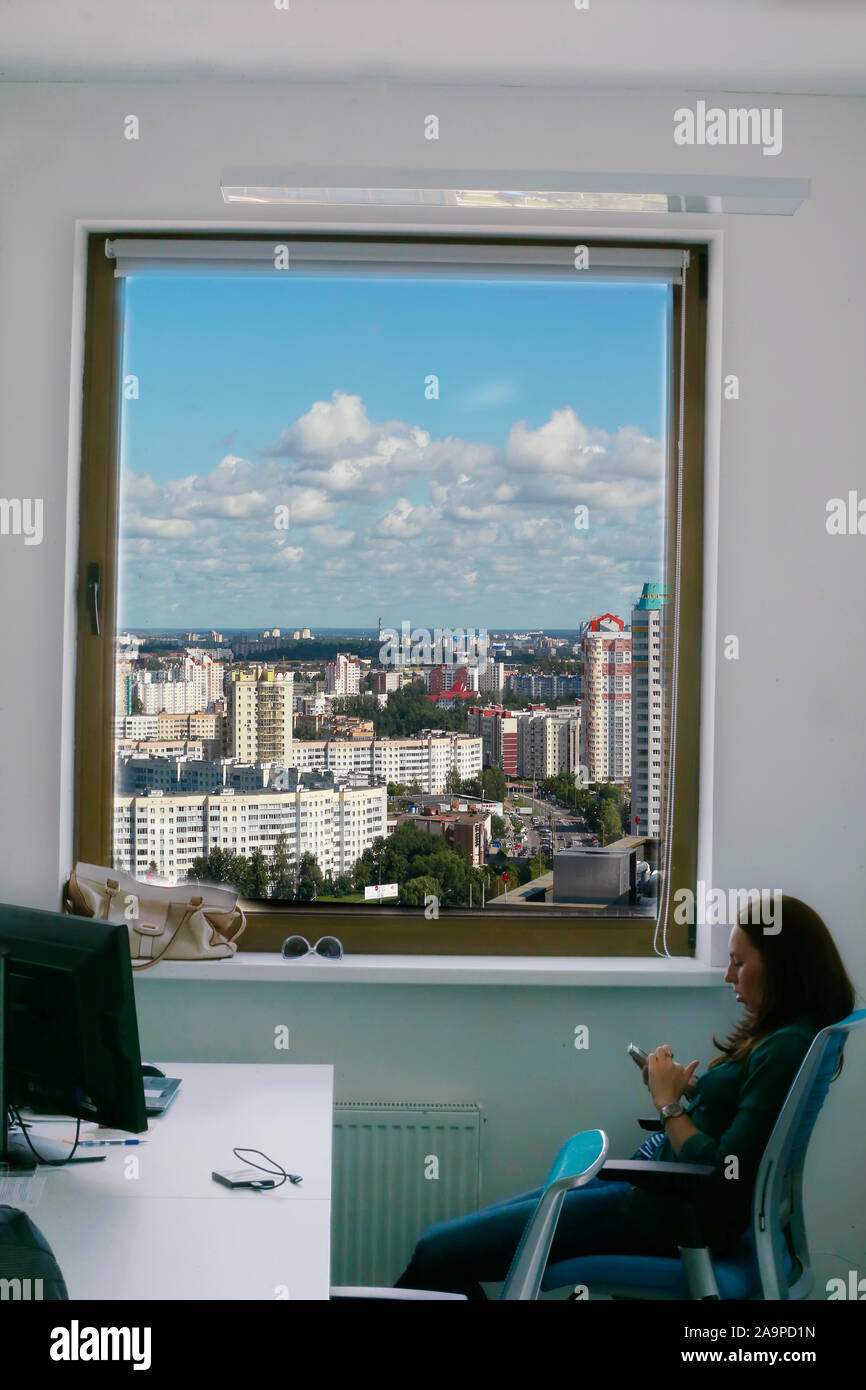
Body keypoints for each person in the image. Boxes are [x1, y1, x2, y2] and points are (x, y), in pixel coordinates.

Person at [394, 894, 856, 1299]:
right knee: (443, 1247)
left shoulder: (785, 1047)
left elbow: (725, 1175)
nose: (729, 976)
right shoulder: (788, 1036)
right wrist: (685, 1088)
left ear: (780, 965)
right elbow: (744, 1126)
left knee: (436, 1251)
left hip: (664, 1214)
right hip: (653, 1192)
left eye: (740, 962)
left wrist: (668, 1104)